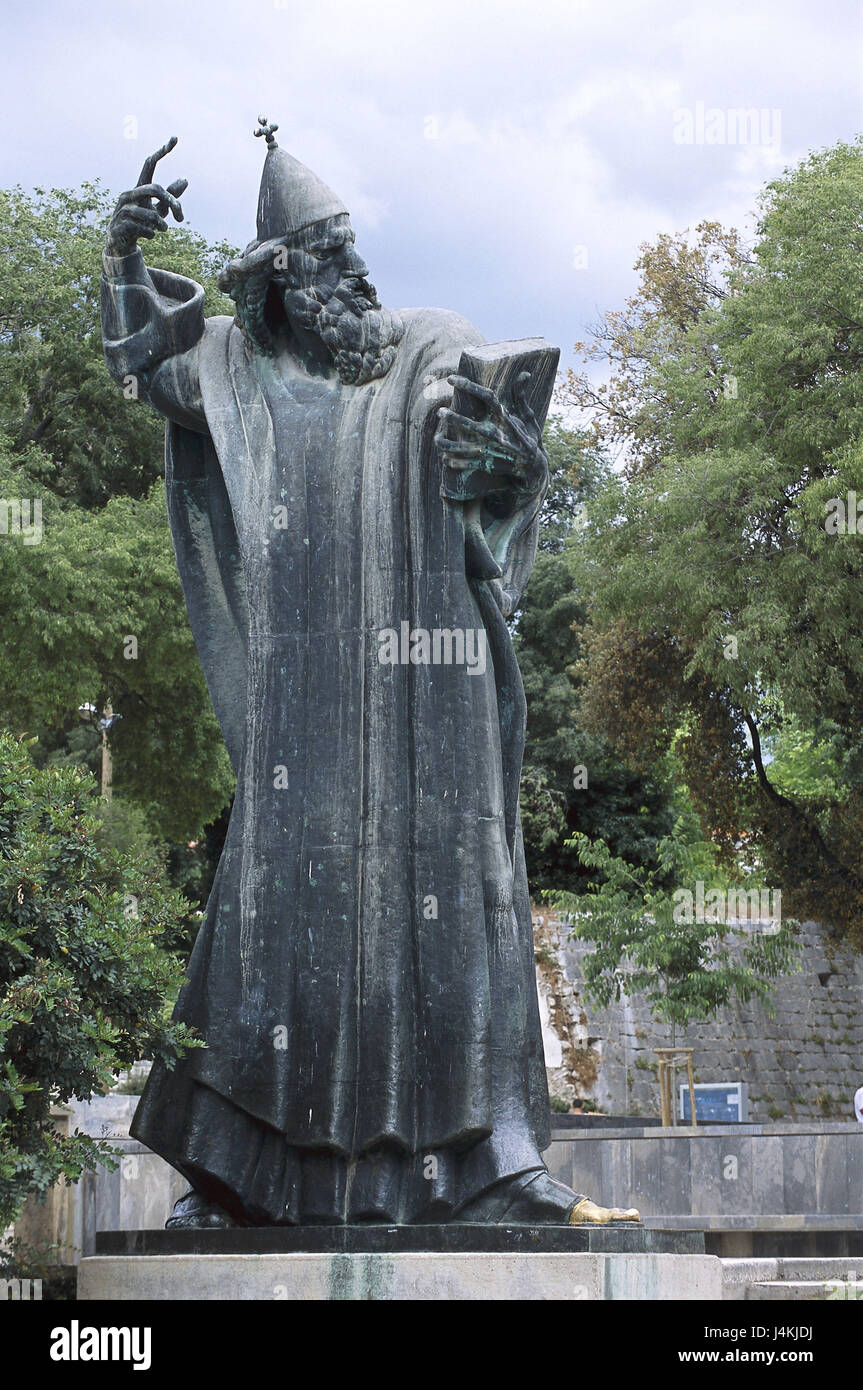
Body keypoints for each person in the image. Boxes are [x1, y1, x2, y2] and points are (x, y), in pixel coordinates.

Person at [101, 123, 639, 1228]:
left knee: (456, 902)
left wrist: (511, 467)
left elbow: (499, 441)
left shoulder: (428, 343)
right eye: (320, 266)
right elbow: (143, 369)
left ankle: (491, 1164)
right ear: (276, 285)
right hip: (303, 707)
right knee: (270, 917)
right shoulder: (234, 368)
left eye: (350, 257)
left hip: (427, 699)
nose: (347, 282)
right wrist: (119, 258)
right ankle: (239, 1174)